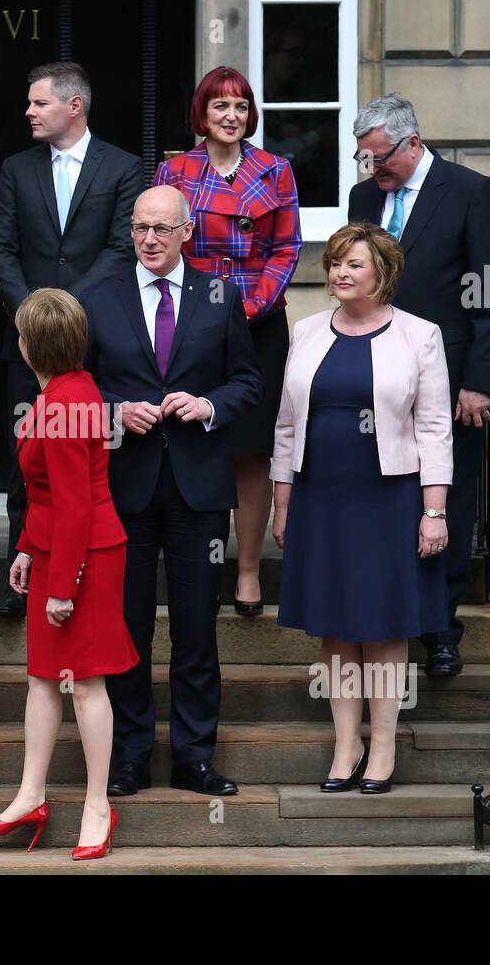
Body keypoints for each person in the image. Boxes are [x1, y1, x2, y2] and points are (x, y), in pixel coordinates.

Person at [80, 185, 262, 798]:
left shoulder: (221, 294)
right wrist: (115, 410)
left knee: (196, 629)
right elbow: (71, 388)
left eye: (162, 228)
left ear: (188, 232)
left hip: (198, 491)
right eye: (139, 228)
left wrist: (210, 404)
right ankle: (130, 754)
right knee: (127, 626)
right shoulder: (98, 296)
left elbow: (248, 382)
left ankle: (193, 756)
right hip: (124, 489)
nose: (149, 240)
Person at [272, 222, 453, 794]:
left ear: (383, 273)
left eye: (354, 264)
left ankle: (382, 746)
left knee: (385, 624)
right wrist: (282, 502)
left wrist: (434, 510)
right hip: (319, 497)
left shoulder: (419, 336)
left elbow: (434, 426)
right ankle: (345, 744)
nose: (340, 274)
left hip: (389, 497)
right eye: (334, 264)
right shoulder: (304, 332)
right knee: (335, 625)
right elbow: (284, 425)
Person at [347, 94, 490, 676]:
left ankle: (441, 630)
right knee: (384, 488)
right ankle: (388, 610)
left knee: (449, 495)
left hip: (449, 376)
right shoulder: (364, 198)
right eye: (364, 159)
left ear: (411, 143)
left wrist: (479, 382)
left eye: (380, 157)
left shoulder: (469, 191)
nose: (373, 170)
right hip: (375, 375)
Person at [0, 289, 138, 860]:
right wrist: (25, 548)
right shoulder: (66, 393)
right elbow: (44, 497)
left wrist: (62, 588)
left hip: (84, 555)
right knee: (44, 677)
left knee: (86, 681)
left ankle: (97, 805)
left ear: (27, 346)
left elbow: (73, 506)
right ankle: (30, 794)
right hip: (57, 551)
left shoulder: (66, 403)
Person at [0, 61, 146, 619]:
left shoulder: (123, 168)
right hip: (23, 345)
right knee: (24, 463)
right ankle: (20, 576)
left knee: (88, 465)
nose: (28, 112)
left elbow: (120, 250)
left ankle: (91, 572)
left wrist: (67, 311)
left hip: (94, 340)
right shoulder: (15, 168)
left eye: (39, 103)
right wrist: (35, 313)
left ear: (73, 106)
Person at [155, 66, 301, 615]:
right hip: (193, 320)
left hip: (258, 322)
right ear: (203, 114)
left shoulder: (275, 169)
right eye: (220, 107)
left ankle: (247, 571)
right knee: (197, 438)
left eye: (240, 107)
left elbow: (287, 247)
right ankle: (202, 566)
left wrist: (254, 305)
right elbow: (163, 239)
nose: (231, 116)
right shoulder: (174, 170)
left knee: (251, 450)